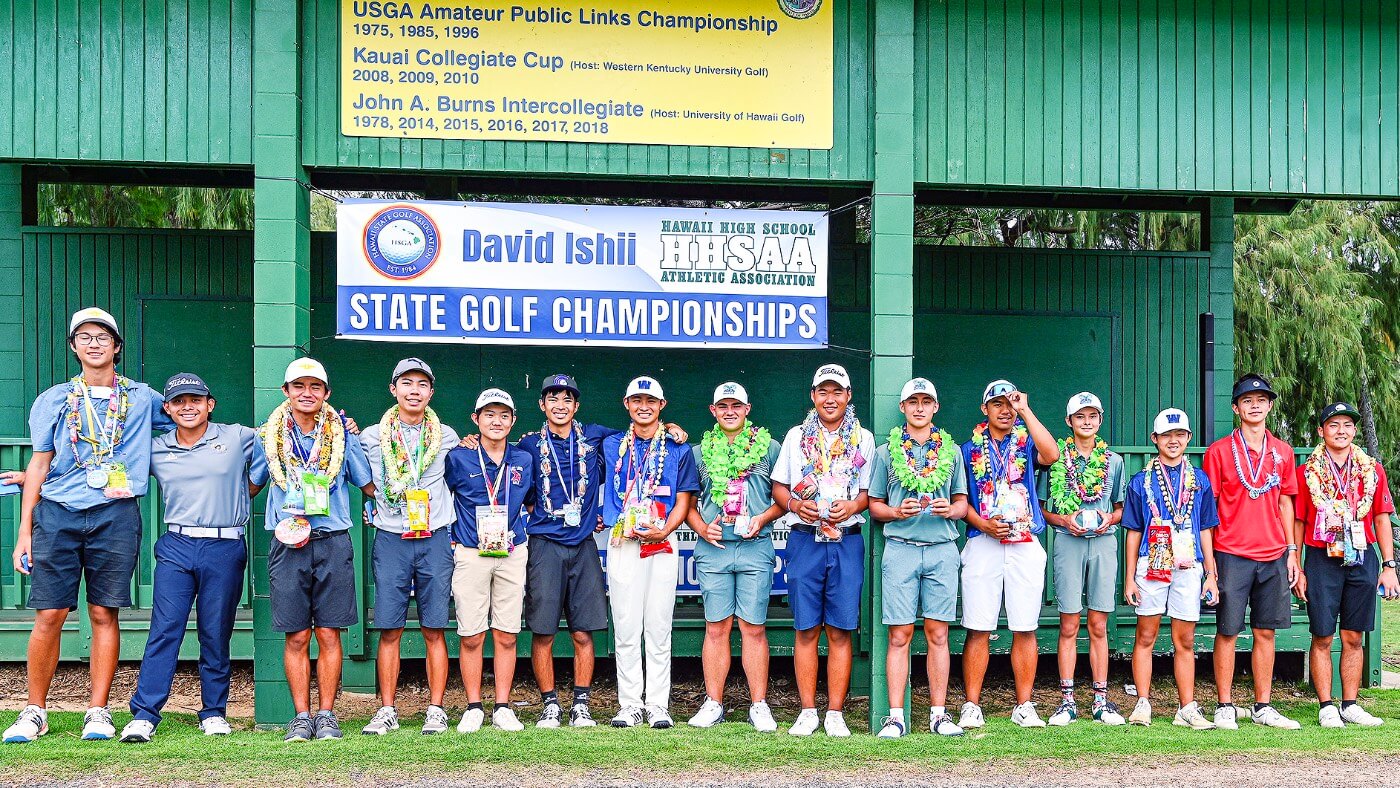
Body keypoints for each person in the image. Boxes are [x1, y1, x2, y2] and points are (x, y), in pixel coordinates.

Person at [4, 307, 173, 744]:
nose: (93, 343)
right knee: (50, 613)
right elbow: (40, 462)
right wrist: (24, 530)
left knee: (103, 611)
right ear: (74, 347)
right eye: (84, 336)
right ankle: (34, 710)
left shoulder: (143, 397)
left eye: (103, 336)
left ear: (117, 346)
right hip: (57, 512)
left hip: (115, 513)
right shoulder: (54, 398)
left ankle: (98, 711)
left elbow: (186, 424)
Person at [116, 375, 265, 743]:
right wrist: (33, 476)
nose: (187, 406)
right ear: (166, 408)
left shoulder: (238, 437)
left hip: (224, 546)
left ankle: (214, 712)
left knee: (215, 632)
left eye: (195, 399)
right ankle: (145, 714)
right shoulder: (155, 447)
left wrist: (239, 496)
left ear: (209, 404)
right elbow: (105, 461)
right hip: (178, 544)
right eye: (178, 401)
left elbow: (274, 454)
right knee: (165, 629)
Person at [249, 357, 375, 742]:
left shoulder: (343, 435)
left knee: (330, 635)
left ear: (326, 394)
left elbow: (367, 484)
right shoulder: (266, 437)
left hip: (332, 541)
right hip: (288, 543)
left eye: (315, 387)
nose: (307, 394)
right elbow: (252, 484)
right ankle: (301, 716)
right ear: (285, 392)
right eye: (299, 387)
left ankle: (327, 715)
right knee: (296, 635)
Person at [771, 364, 876, 738]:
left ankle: (835, 712)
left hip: (846, 541)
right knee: (805, 629)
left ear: (848, 397)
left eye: (837, 392)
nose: (830, 399)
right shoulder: (796, 436)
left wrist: (854, 506)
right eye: (823, 392)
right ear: (813, 396)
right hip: (804, 538)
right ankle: (807, 711)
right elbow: (779, 488)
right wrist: (797, 506)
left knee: (841, 630)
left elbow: (868, 493)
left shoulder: (863, 439)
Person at [358, 359, 460, 736]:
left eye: (421, 384)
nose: (414, 390)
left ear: (431, 393)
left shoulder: (447, 435)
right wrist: (381, 498)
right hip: (391, 536)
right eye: (406, 383)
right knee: (390, 629)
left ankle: (436, 709)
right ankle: (386, 710)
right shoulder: (370, 436)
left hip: (433, 536)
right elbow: (360, 477)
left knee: (435, 626)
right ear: (393, 389)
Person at [514, 374, 617, 730]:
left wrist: (672, 429)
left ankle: (581, 704)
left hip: (583, 545)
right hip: (544, 545)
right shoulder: (527, 447)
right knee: (542, 631)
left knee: (583, 632)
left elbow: (640, 435)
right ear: (542, 405)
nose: (560, 405)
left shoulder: (597, 437)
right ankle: (550, 705)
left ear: (577, 406)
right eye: (553, 399)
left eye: (567, 399)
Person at [868, 378, 968, 739]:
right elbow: (874, 505)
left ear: (935, 407)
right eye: (913, 401)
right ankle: (896, 717)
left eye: (927, 401)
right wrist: (896, 512)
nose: (920, 407)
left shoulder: (951, 451)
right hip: (901, 549)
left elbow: (962, 503)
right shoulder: (885, 452)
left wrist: (951, 509)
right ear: (903, 408)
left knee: (938, 633)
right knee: (899, 634)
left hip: (942, 549)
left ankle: (939, 715)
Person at [1201, 373, 1301, 730]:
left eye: (1261, 400)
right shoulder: (1218, 451)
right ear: (1236, 408)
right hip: (1231, 551)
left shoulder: (1283, 451)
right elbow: (1208, 511)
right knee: (1227, 630)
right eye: (1247, 400)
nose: (1255, 405)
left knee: (1266, 632)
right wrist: (1210, 565)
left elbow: (1287, 503)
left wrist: (1292, 552)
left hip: (1274, 552)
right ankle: (1224, 704)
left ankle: (1263, 705)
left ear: (1270, 406)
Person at [958, 379, 1059, 730]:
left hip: (1025, 540)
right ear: (984, 409)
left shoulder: (1026, 440)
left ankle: (1024, 705)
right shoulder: (965, 449)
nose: (1004, 409)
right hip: (983, 539)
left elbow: (1052, 455)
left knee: (1025, 626)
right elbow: (961, 501)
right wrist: (983, 524)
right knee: (978, 627)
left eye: (1009, 403)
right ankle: (971, 705)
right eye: (997, 404)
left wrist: (1026, 409)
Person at [684, 382, 783, 733]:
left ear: (747, 409)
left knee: (753, 627)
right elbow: (687, 504)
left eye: (736, 405)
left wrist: (763, 518)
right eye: (723, 406)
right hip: (715, 549)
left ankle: (758, 704)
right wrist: (700, 527)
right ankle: (714, 703)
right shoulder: (698, 452)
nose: (729, 411)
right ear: (713, 411)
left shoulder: (770, 448)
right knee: (716, 627)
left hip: (755, 546)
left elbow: (784, 496)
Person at [600, 376, 698, 729]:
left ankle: (657, 704)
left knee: (658, 626)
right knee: (626, 627)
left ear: (662, 406)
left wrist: (665, 529)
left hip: (662, 542)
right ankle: (629, 704)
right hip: (624, 542)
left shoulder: (678, 448)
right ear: (626, 404)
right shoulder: (610, 443)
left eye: (651, 401)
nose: (644, 406)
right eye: (637, 400)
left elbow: (684, 500)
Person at [1295, 402, 1400, 727]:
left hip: (1361, 556)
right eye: (1333, 425)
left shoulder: (1372, 470)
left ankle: (1350, 704)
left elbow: (1382, 519)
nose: (1341, 431)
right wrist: (1296, 567)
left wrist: (1389, 565)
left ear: (1354, 430)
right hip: (1320, 558)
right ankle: (1326, 705)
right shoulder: (1306, 472)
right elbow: (1299, 521)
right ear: (1321, 431)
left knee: (1354, 635)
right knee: (1323, 635)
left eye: (1347, 425)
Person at [444, 388, 535, 733]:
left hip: (512, 551)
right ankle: (473, 705)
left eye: (503, 415)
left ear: (512, 421)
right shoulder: (459, 457)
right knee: (471, 633)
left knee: (507, 633)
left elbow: (529, 500)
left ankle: (502, 705)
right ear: (476, 419)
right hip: (471, 551)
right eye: (489, 415)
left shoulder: (524, 457)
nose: (496, 422)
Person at [1122, 408, 1220, 730]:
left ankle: (1186, 707)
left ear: (1188, 438)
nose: (1173, 440)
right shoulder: (1141, 481)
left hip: (1189, 564)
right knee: (1146, 635)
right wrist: (1129, 579)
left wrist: (1211, 573)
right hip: (1152, 562)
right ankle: (1142, 703)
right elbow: (1134, 530)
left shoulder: (1200, 479)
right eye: (1167, 435)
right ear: (1155, 440)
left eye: (1180, 434)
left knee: (1185, 639)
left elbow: (1206, 527)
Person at [1039, 392, 1127, 726]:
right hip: (1068, 542)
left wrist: (1109, 518)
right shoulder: (1056, 460)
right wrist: (1065, 520)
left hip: (1103, 542)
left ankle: (1101, 700)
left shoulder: (1114, 462)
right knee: (1069, 623)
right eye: (1080, 416)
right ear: (1069, 421)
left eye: (1092, 416)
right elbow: (1044, 510)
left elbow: (1119, 510)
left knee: (1099, 624)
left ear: (1100, 420)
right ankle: (1067, 701)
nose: (1086, 421)